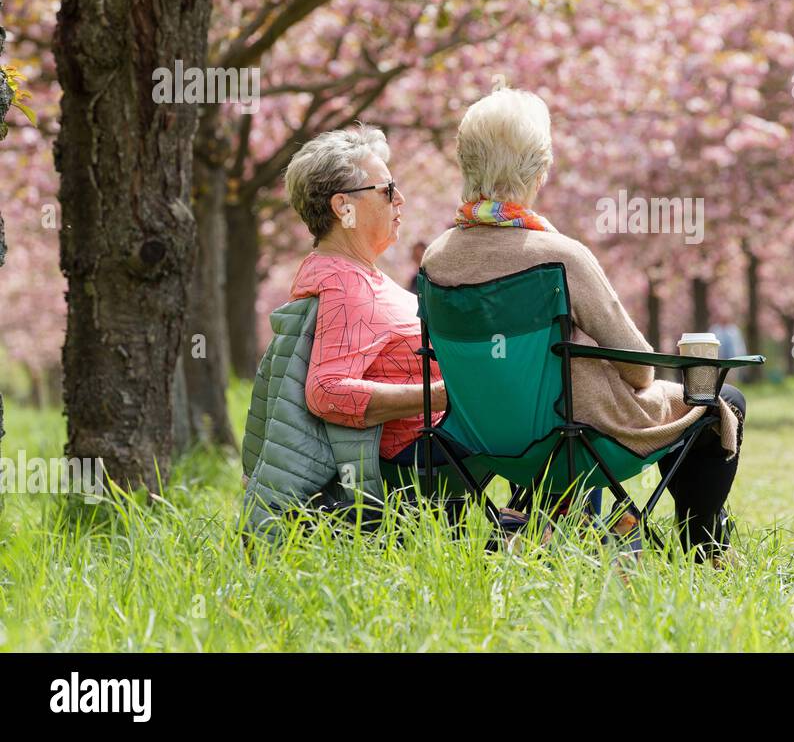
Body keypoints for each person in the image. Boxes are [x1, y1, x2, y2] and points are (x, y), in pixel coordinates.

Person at [421, 88, 745, 562]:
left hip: (483, 442)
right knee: (717, 400)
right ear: (539, 169)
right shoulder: (559, 257)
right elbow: (640, 372)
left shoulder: (437, 259)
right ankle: (704, 548)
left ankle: (554, 529)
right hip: (576, 439)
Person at [282, 125, 448, 469]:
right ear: (344, 208)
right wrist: (443, 395)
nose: (399, 199)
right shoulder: (344, 283)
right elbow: (325, 391)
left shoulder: (351, 272)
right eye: (387, 190)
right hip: (423, 450)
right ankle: (569, 519)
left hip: (441, 438)